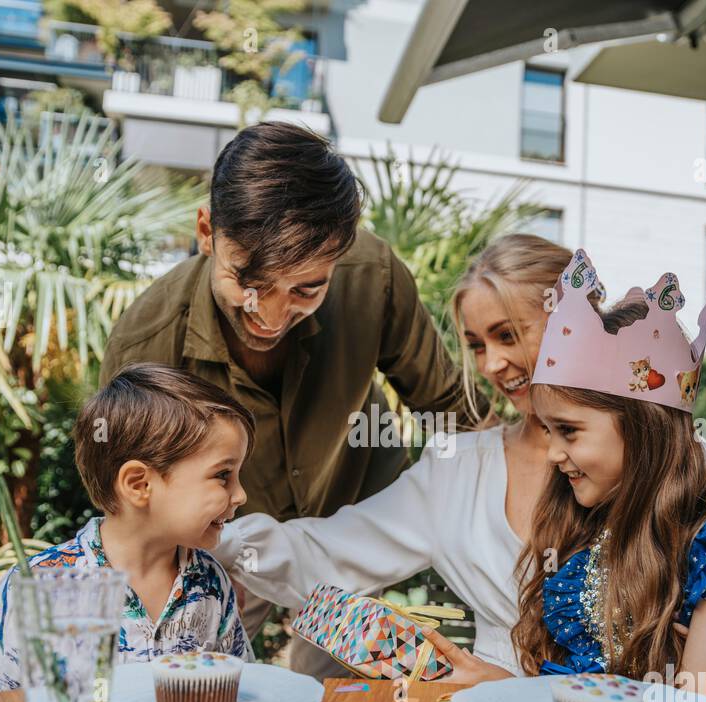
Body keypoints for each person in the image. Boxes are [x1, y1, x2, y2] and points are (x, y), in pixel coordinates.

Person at [213, 236, 706, 682]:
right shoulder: (457, 468)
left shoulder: (672, 460)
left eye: (507, 335)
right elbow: (327, 552)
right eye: (477, 345)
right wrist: (213, 535)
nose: (491, 364)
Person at [99, 121, 472, 673]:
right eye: (249, 282)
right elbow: (132, 507)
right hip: (220, 542)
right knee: (193, 688)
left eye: (306, 288)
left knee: (342, 700)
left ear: (340, 255)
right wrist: (191, 567)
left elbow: (448, 411)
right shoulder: (147, 344)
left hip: (351, 519)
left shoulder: (373, 278)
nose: (270, 317)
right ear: (206, 231)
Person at [509, 251, 706, 692]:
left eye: (569, 431)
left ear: (640, 431)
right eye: (548, 430)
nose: (553, 453)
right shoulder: (581, 533)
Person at [0, 364, 254, 691]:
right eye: (223, 475)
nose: (241, 495)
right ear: (139, 484)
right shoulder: (36, 587)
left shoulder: (213, 583)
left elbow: (237, 691)